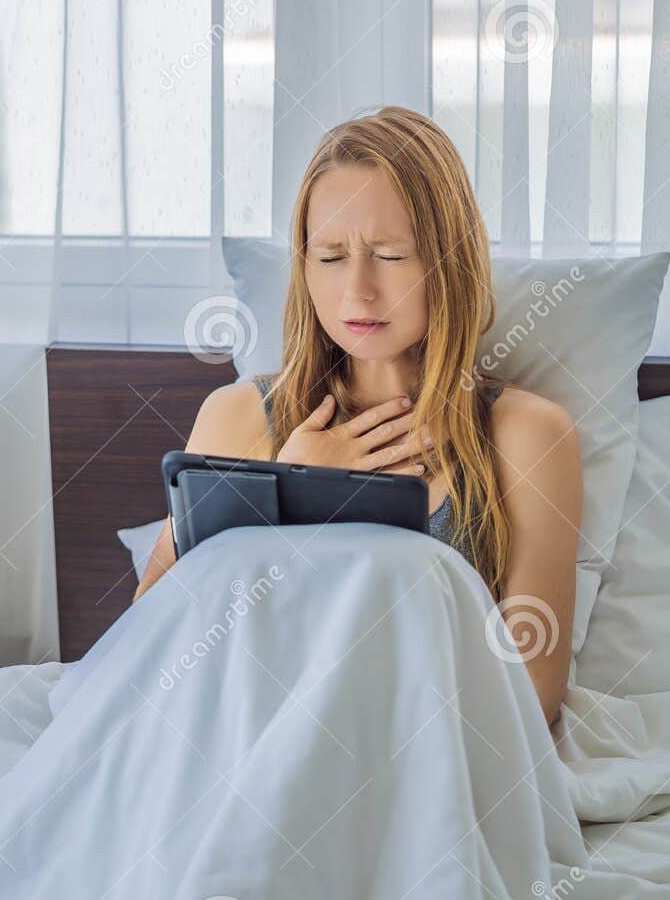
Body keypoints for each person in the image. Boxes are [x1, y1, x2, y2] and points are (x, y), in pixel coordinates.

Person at [135, 106, 581, 726]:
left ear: (447, 264)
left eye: (392, 255)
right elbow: (145, 652)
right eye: (331, 255)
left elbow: (533, 693)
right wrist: (289, 498)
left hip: (436, 752)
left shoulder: (527, 435)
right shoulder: (239, 418)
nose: (358, 291)